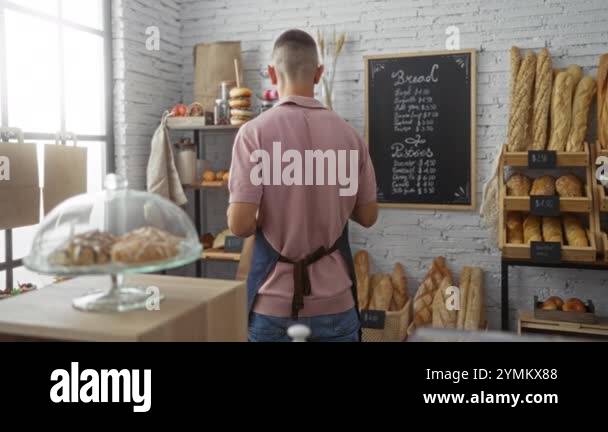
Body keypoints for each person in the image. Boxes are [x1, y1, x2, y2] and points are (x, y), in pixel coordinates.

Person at [227, 29, 378, 342]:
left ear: (270, 73)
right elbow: (368, 216)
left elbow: (240, 225)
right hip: (337, 303)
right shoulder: (350, 136)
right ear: (319, 74)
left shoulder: (253, 134)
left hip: (273, 307)